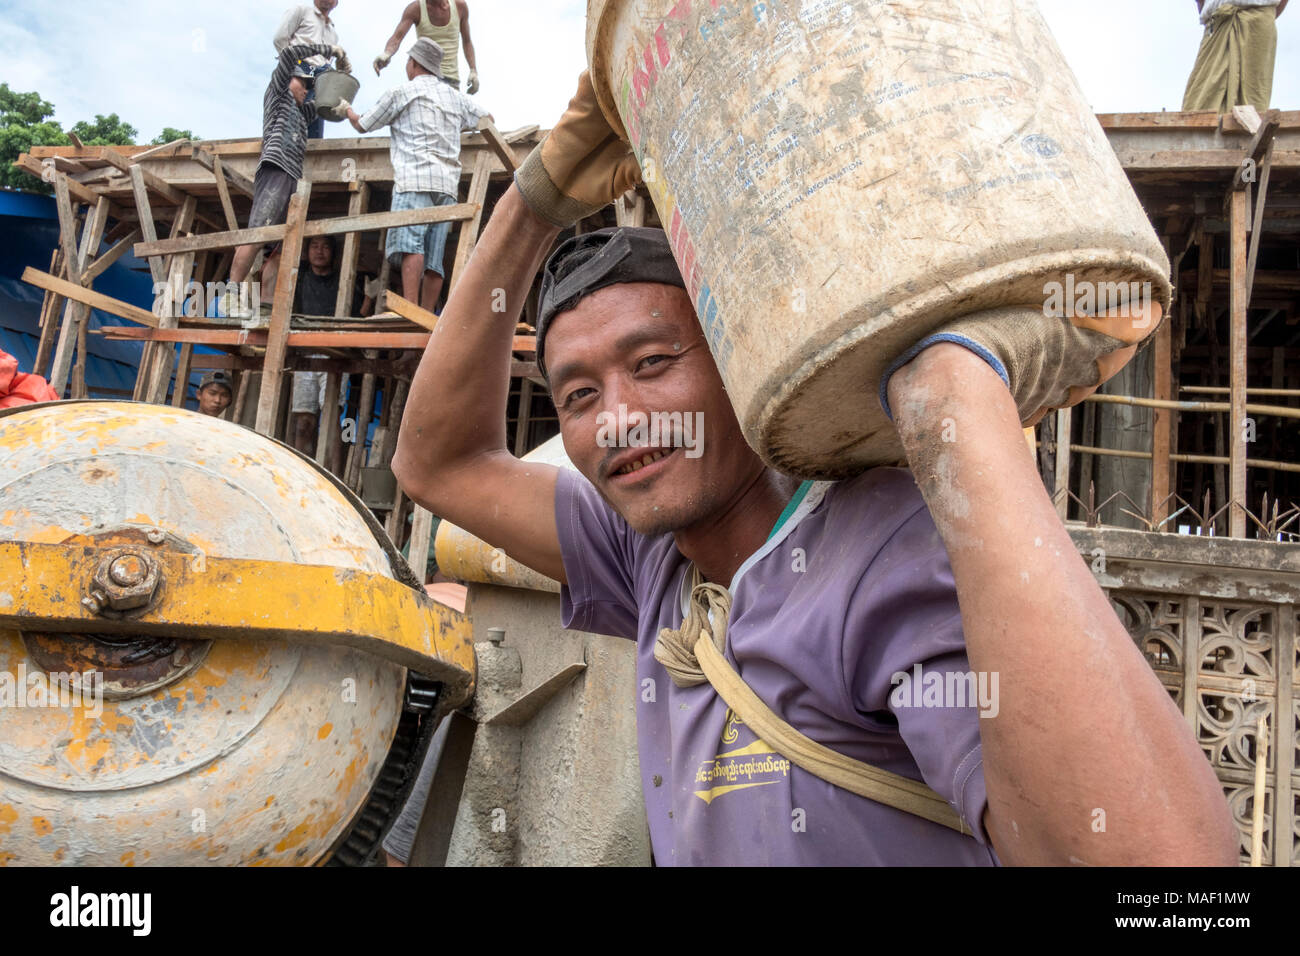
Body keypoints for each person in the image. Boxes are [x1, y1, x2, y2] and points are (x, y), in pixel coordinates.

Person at [391, 72, 1240, 866]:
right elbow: (439, 462)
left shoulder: (885, 557)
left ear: (741, 363)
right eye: (577, 396)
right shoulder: (655, 561)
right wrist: (533, 203)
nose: (616, 419)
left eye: (652, 363)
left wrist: (954, 399)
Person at [338, 38, 491, 312]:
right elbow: (486, 118)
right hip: (446, 186)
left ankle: (410, 312)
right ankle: (427, 313)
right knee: (435, 256)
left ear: (414, 63)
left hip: (414, 180)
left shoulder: (401, 93)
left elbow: (363, 124)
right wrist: (452, 129)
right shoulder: (455, 98)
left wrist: (347, 110)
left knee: (412, 245)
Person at [220, 40, 350, 321]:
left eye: (307, 85)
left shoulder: (302, 114)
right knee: (258, 232)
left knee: (276, 246)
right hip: (276, 168)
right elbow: (291, 53)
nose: (305, 88)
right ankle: (230, 294)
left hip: (292, 177)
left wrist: (340, 99)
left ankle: (266, 306)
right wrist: (330, 50)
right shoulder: (277, 95)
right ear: (288, 80)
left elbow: (324, 105)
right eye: (301, 83)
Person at [1183, 0, 1288, 113]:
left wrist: (1261, 13)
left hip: (1258, 20)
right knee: (1200, 102)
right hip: (1218, 20)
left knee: (1252, 106)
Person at [373, 0, 480, 94]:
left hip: (451, 80)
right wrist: (387, 53)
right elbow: (397, 37)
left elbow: (467, 41)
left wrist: (473, 71)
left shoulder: (460, 6)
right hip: (425, 76)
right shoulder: (415, 9)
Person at [274, 0, 342, 139]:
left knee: (315, 122)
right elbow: (280, 39)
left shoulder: (333, 33)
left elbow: (327, 60)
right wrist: (291, 68)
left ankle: (310, 155)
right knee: (291, 120)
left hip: (321, 76)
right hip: (300, 67)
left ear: (336, 3)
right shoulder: (302, 11)